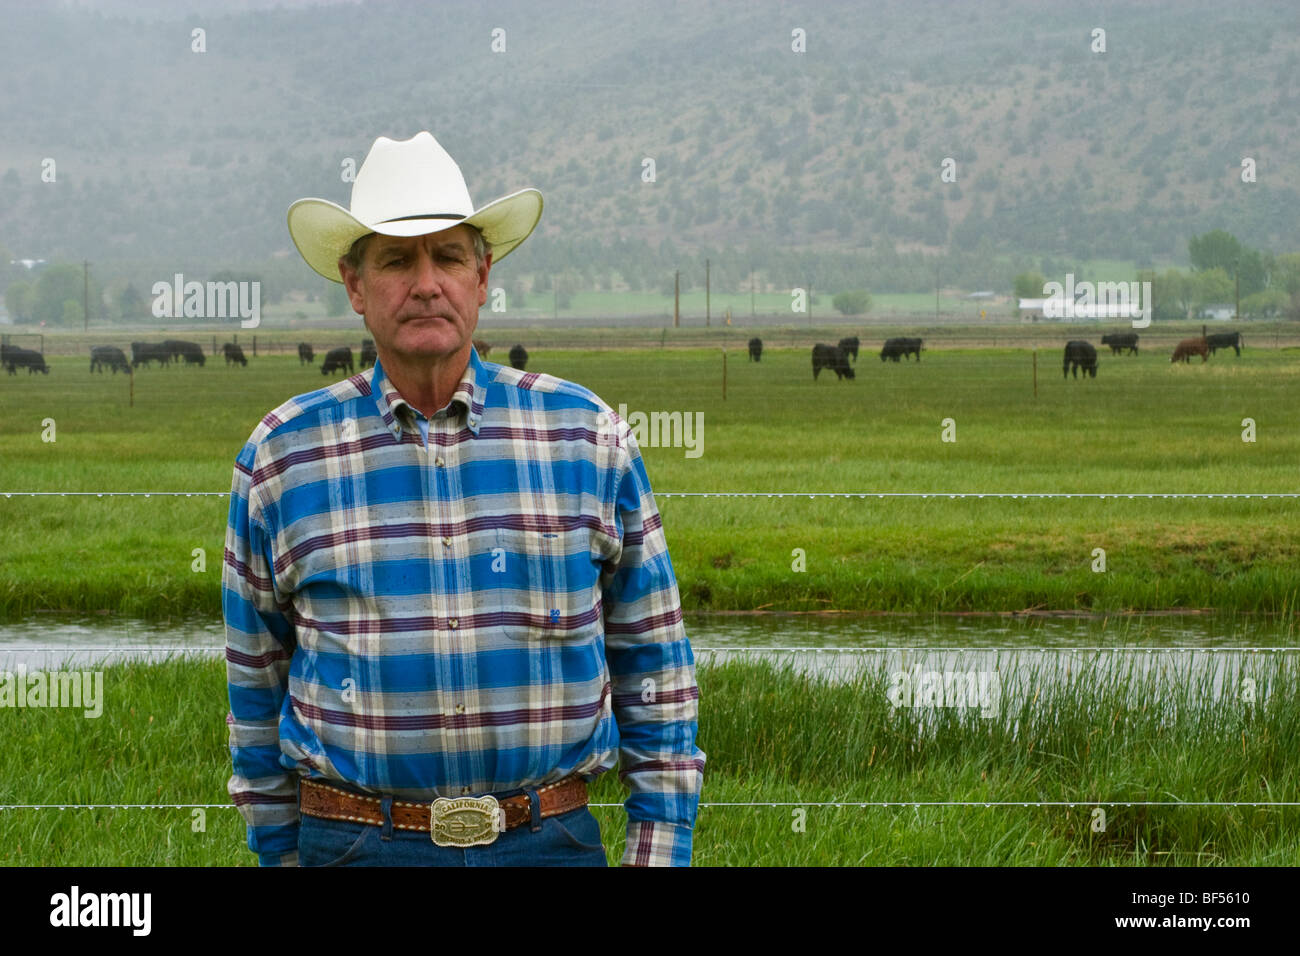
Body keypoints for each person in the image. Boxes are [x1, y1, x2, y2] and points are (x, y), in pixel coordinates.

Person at [223, 132, 704, 867]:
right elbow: (256, 699)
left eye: (448, 257)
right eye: (395, 260)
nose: (426, 283)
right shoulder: (282, 458)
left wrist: (657, 853)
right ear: (354, 285)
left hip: (549, 842)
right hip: (356, 845)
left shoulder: (587, 438)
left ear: (483, 277)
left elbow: (657, 674)